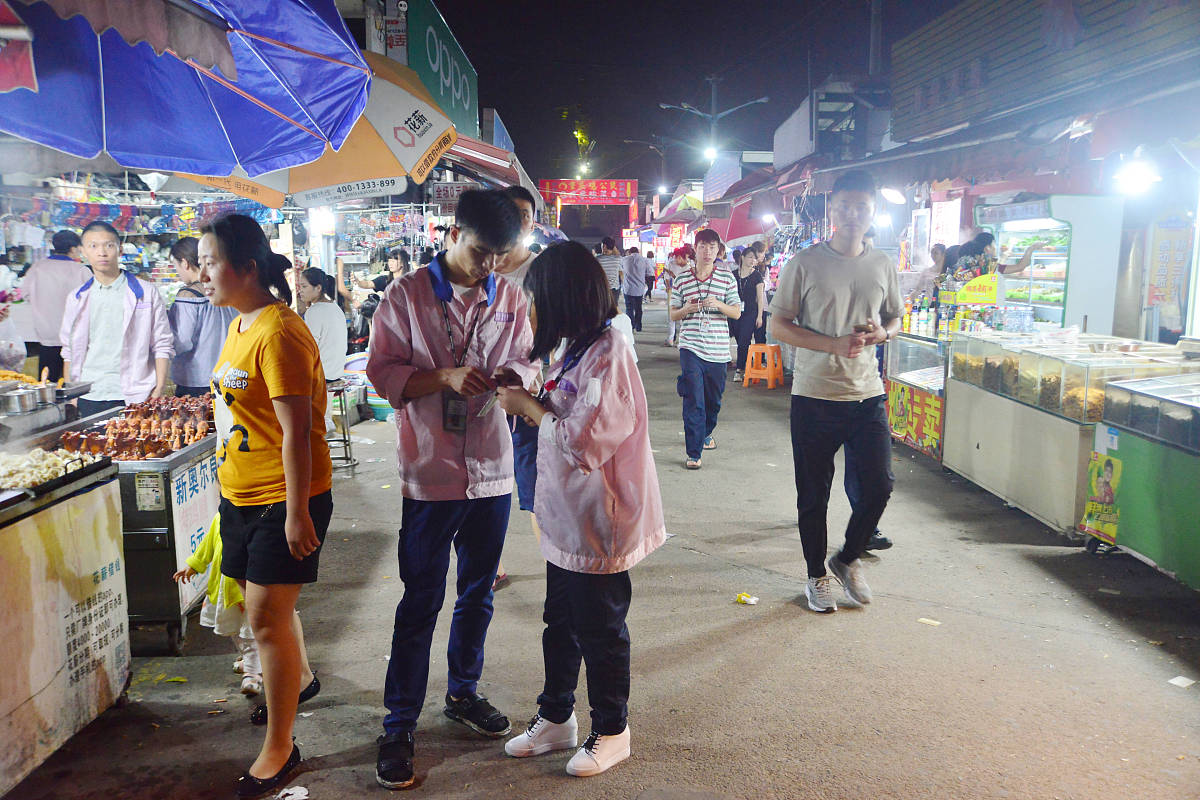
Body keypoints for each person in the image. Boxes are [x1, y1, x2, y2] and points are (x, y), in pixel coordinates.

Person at [365, 190, 538, 791]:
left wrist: (517, 377)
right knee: (419, 601)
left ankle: (463, 691)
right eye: (479, 252)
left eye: (499, 256)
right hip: (430, 473)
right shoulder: (405, 296)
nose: (488, 266)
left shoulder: (510, 297)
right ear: (453, 232)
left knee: (477, 596)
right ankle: (399, 723)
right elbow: (380, 373)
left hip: (491, 471)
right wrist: (442, 377)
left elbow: (529, 361)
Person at [495, 241, 664, 778]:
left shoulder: (610, 353)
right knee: (560, 620)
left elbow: (586, 442)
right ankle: (556, 716)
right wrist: (531, 394)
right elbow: (565, 409)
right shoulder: (580, 346)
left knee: (601, 628)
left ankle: (612, 730)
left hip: (599, 520)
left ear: (565, 298)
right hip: (568, 516)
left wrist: (528, 408)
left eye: (537, 301)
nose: (532, 313)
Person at [198, 213, 332, 798]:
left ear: (246, 267)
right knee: (270, 621)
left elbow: (297, 431)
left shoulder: (279, 331)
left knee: (264, 623)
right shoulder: (239, 325)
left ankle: (281, 749)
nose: (201, 274)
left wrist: (298, 511)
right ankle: (295, 690)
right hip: (243, 495)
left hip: (283, 498)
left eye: (209, 263)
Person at [767, 169, 901, 614]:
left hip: (867, 394)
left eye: (861, 205)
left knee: (879, 486)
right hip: (814, 395)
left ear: (873, 211)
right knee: (814, 495)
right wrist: (832, 345)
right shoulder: (803, 263)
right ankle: (815, 576)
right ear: (831, 210)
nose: (852, 213)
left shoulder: (882, 263)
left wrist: (880, 334)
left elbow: (896, 319)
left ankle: (845, 559)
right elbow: (777, 324)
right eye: (844, 205)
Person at [61, 221, 173, 418]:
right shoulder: (76, 298)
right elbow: (69, 351)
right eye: (93, 246)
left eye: (109, 245)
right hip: (90, 393)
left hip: (136, 393)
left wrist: (159, 388)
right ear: (83, 252)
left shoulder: (146, 292)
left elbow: (162, 343)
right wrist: (72, 396)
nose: (102, 252)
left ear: (119, 249)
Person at [492, 184, 540, 589]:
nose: (518, 221)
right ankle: (492, 565)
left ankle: (559, 565)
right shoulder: (476, 269)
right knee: (484, 485)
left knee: (536, 484)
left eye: (525, 214)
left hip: (533, 393)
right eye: (511, 213)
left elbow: (547, 333)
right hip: (481, 398)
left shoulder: (540, 270)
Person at [670, 229, 742, 470]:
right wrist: (687, 310)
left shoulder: (726, 278)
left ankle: (706, 431)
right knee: (694, 399)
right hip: (690, 346)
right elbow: (673, 313)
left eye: (712, 247)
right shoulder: (682, 279)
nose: (707, 251)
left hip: (719, 350)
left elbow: (736, 311)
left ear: (718, 250)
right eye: (703, 246)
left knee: (713, 401)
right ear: (695, 248)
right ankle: (693, 451)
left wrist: (720, 304)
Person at [173, 514, 263, 697]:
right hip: (226, 587)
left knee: (249, 633)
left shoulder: (261, 515)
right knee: (234, 630)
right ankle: (250, 659)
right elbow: (208, 544)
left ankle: (253, 674)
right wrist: (194, 565)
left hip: (250, 587)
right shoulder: (223, 516)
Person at [168, 236, 239, 397]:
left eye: (176, 265)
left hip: (196, 381)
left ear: (185, 263)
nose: (178, 271)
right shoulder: (226, 288)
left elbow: (182, 341)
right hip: (228, 376)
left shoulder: (188, 295)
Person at [23, 229, 89, 382]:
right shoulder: (80, 271)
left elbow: (25, 294)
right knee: (74, 383)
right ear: (73, 249)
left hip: (47, 335)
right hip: (74, 336)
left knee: (47, 382)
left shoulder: (37, 268)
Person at [296, 267, 348, 382]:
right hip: (336, 372)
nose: (301, 291)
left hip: (322, 375)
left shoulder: (314, 311)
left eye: (304, 286)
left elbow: (309, 349)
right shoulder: (335, 307)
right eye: (300, 287)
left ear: (318, 288)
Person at [732, 247, 767, 383]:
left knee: (744, 341)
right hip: (735, 312)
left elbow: (760, 298)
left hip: (751, 313)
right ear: (742, 257)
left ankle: (740, 370)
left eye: (754, 258)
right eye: (750, 257)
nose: (752, 260)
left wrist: (759, 316)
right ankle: (745, 364)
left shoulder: (757, 276)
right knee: (739, 339)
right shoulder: (734, 274)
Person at [620, 247, 654, 332]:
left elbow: (620, 270)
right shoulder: (644, 260)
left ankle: (631, 326)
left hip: (628, 288)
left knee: (629, 308)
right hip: (639, 289)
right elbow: (650, 272)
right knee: (638, 308)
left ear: (630, 252)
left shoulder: (624, 259)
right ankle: (638, 326)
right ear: (638, 252)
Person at [596, 237, 623, 305]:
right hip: (614, 290)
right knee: (613, 310)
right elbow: (621, 273)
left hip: (602, 289)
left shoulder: (598, 259)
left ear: (604, 246)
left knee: (602, 309)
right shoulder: (618, 259)